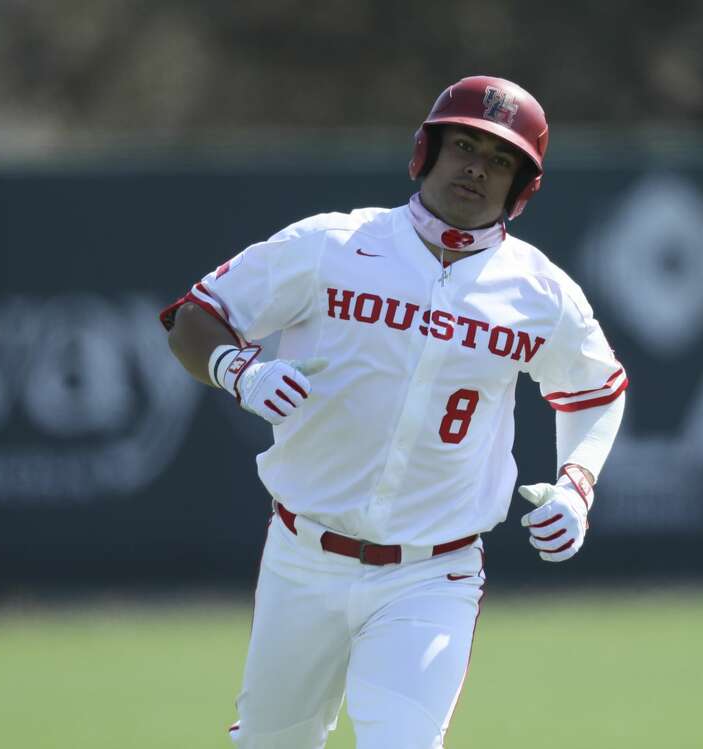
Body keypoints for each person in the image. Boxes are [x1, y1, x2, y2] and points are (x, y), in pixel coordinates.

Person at [160, 75, 627, 749]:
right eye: (464, 144)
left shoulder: (539, 292)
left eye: (500, 158)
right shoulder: (333, 245)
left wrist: (578, 485)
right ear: (426, 152)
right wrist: (239, 369)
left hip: (432, 572)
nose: (476, 166)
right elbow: (194, 318)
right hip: (303, 554)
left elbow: (595, 388)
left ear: (522, 187)